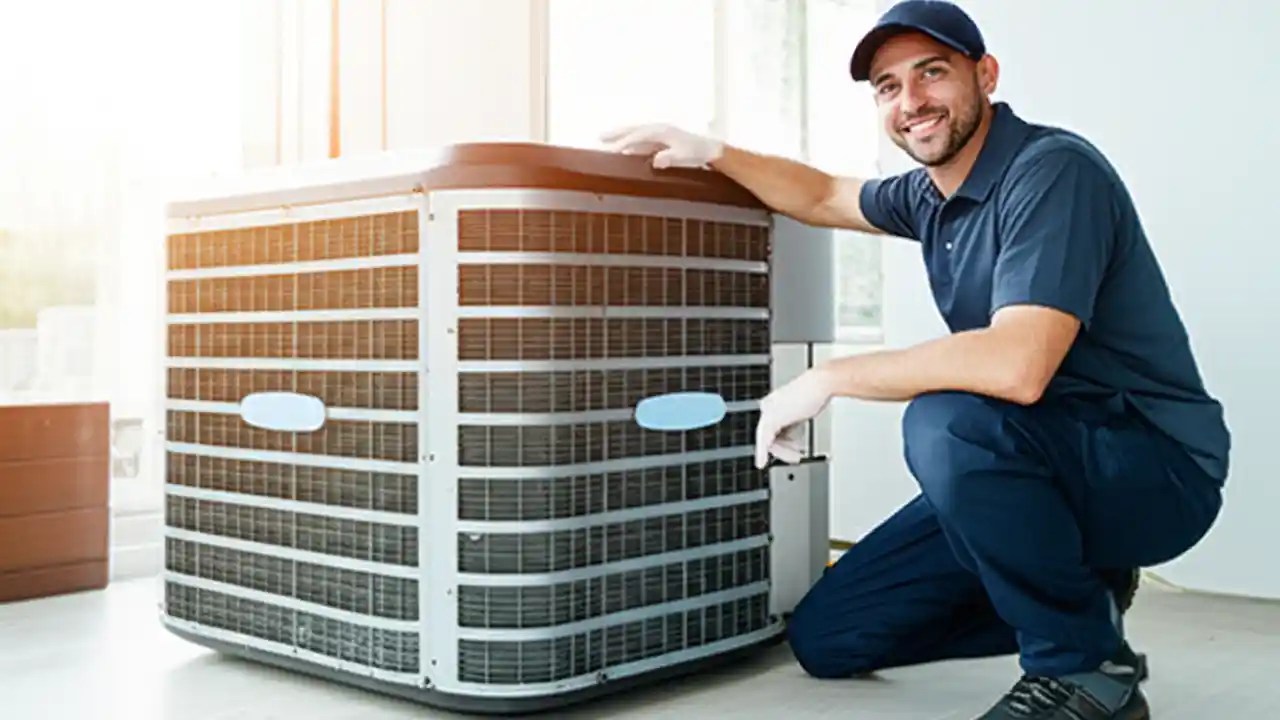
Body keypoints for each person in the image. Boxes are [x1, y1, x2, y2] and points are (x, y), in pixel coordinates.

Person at [602, 1, 1229, 718]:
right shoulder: (931, 196)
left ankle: (1084, 670)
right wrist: (713, 150)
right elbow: (822, 194)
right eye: (889, 87)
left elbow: (1017, 365)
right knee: (830, 637)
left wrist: (827, 378)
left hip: (1152, 469)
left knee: (944, 422)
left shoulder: (1052, 172)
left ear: (984, 75)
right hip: (1037, 466)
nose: (912, 101)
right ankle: (1083, 592)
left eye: (932, 73)